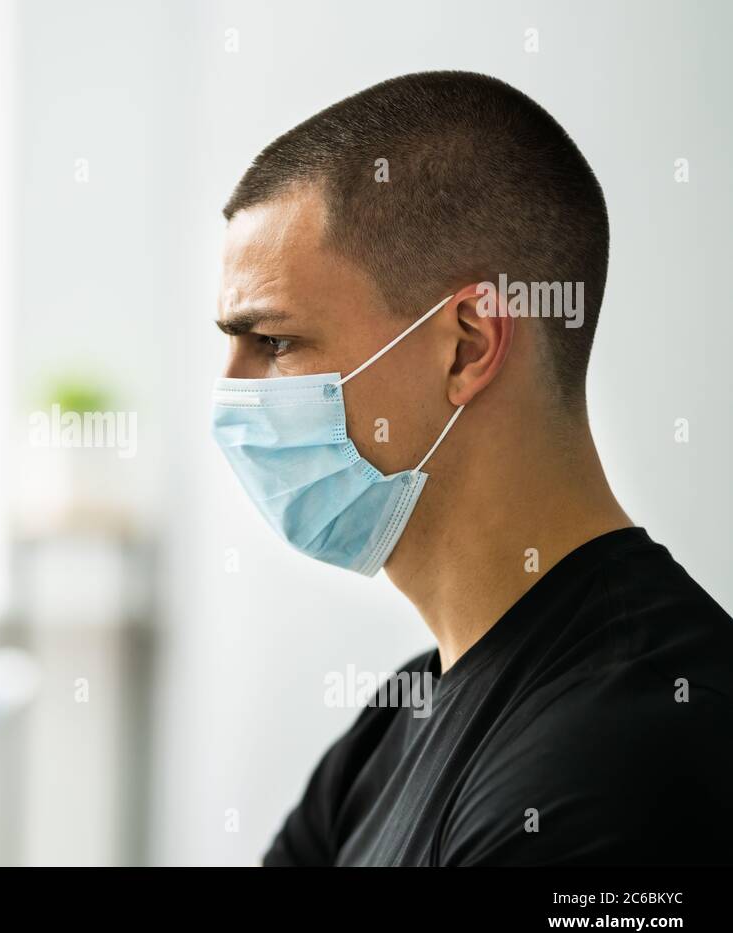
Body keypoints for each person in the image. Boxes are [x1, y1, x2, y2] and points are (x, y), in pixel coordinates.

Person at [210, 71, 733, 865]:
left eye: (274, 343)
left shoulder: (625, 755)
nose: (230, 397)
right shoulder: (397, 725)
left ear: (469, 346)